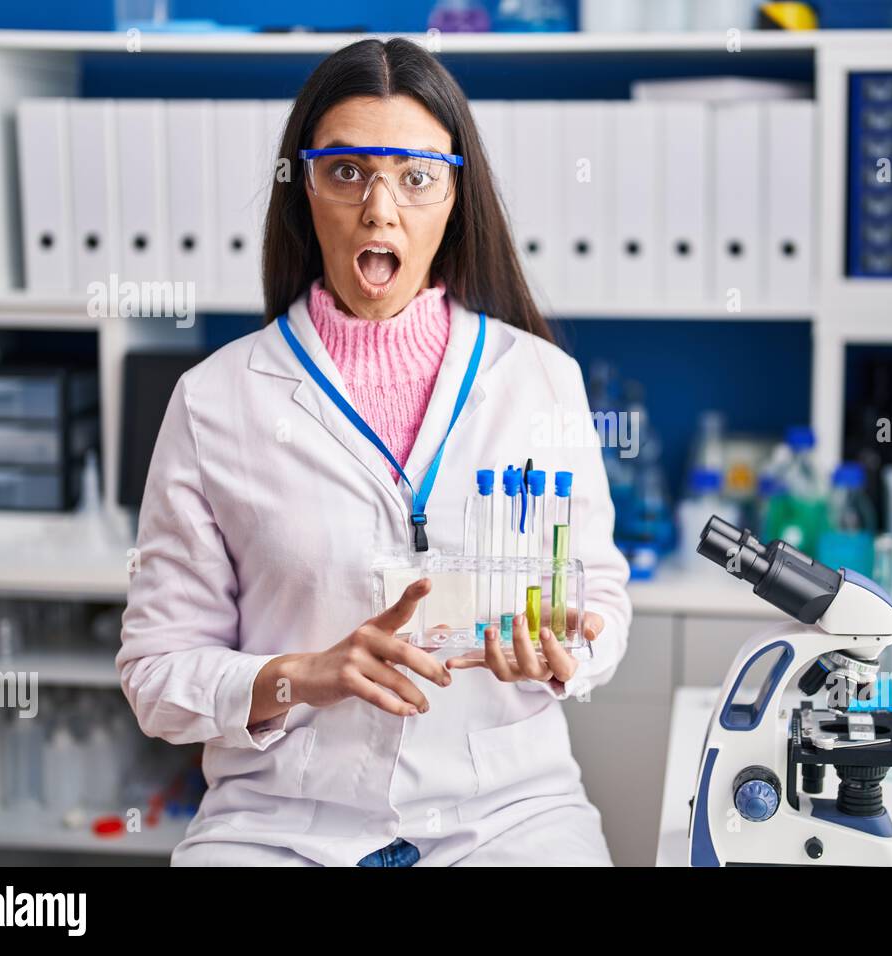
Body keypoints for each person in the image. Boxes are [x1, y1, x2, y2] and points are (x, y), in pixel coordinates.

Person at [117, 38, 631, 866]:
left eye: (416, 176)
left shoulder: (540, 381)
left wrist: (568, 651)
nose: (379, 209)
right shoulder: (215, 402)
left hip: (509, 813)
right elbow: (156, 671)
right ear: (303, 190)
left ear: (457, 197)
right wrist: (300, 675)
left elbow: (602, 593)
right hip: (279, 821)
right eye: (347, 172)